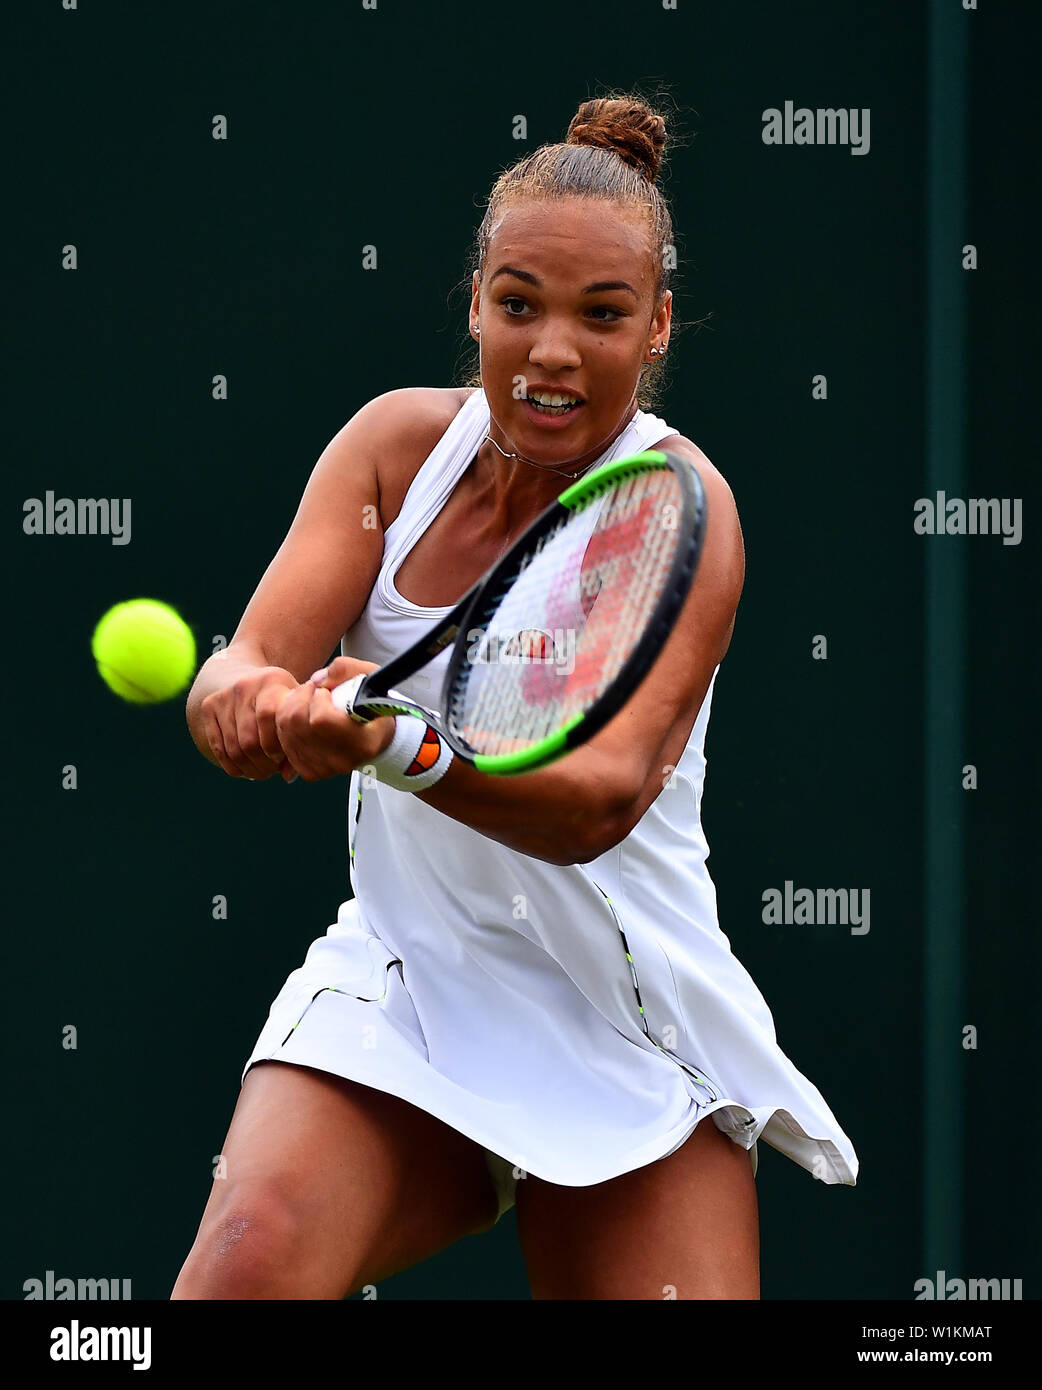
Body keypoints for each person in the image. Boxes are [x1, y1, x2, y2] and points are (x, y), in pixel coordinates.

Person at [172, 93, 858, 1302]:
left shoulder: (682, 510)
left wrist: (396, 746)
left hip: (630, 1015)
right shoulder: (392, 448)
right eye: (519, 304)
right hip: (409, 975)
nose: (551, 350)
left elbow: (596, 798)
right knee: (245, 1268)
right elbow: (252, 657)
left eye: (600, 316)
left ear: (653, 331)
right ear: (475, 302)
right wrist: (240, 699)